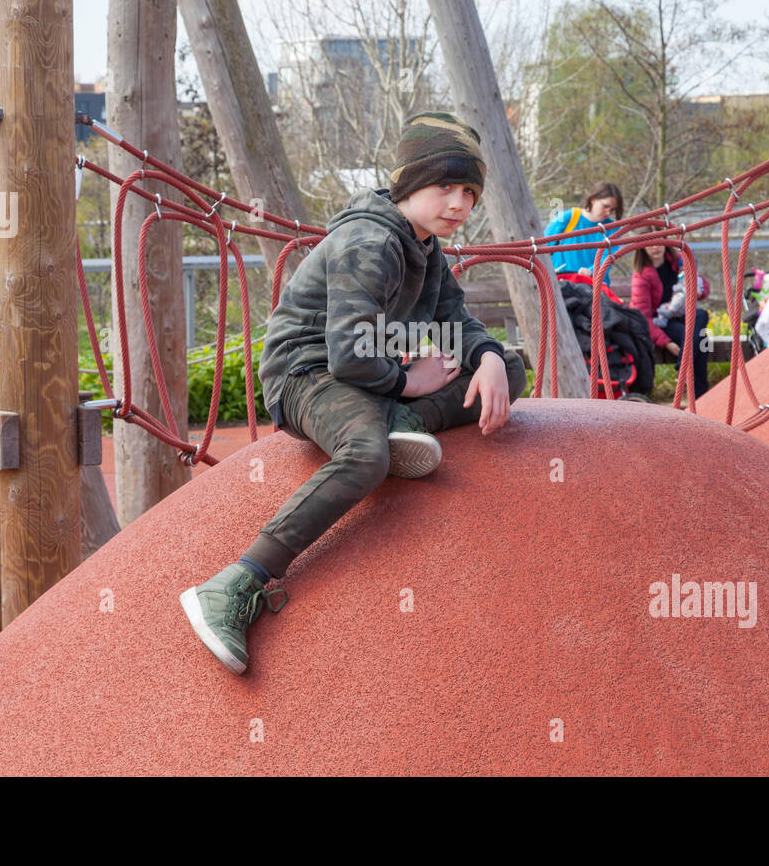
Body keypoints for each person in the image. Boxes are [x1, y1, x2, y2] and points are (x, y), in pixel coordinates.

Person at [180, 112, 528, 675]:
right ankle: (235, 582)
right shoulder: (369, 241)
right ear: (409, 183)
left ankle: (402, 421)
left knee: (511, 370)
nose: (460, 203)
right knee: (366, 455)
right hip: (307, 372)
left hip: (370, 371)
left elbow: (454, 320)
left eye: (470, 191)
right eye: (446, 186)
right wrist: (407, 382)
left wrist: (486, 357)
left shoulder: (428, 251)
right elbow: (346, 351)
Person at [630, 244, 710, 398]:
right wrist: (666, 342)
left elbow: (704, 287)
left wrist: (697, 288)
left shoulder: (677, 262)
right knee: (700, 338)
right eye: (650, 244)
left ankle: (683, 367)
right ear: (643, 247)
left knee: (701, 315)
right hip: (659, 322)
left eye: (659, 242)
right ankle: (701, 395)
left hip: (680, 314)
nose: (655, 247)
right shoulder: (641, 275)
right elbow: (644, 318)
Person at [542, 182, 626, 284]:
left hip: (595, 287)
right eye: (605, 206)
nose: (608, 212)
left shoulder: (613, 228)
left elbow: (607, 259)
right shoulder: (566, 217)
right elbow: (542, 248)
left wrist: (591, 271)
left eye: (612, 209)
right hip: (563, 284)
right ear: (593, 200)